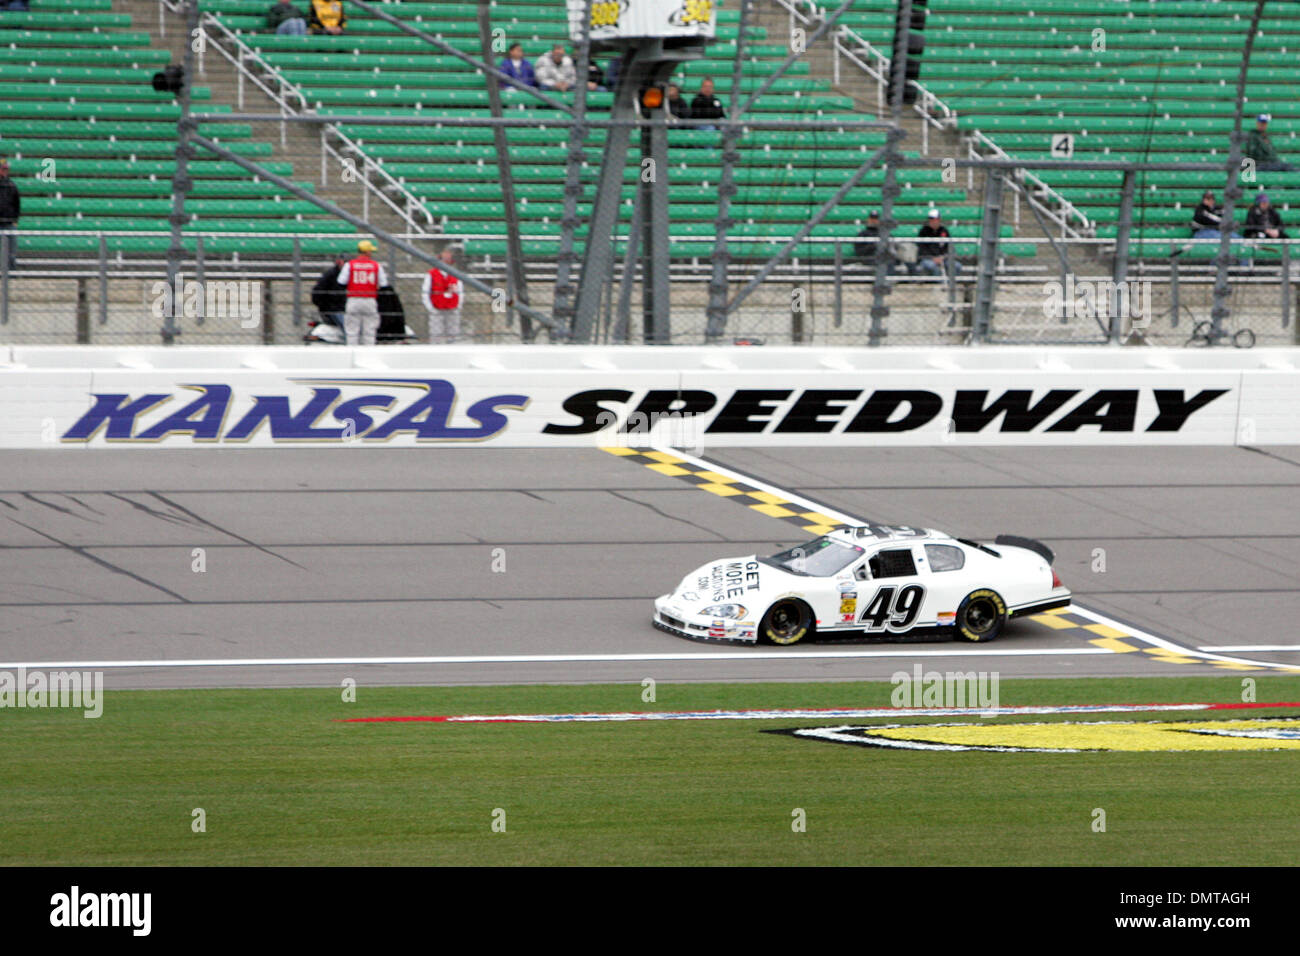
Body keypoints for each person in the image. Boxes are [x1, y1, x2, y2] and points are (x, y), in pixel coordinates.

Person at [337, 239, 388, 345]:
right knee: (369, 332)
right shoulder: (376, 265)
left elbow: (341, 282)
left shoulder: (350, 265)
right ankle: (369, 354)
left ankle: (352, 352)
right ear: (367, 252)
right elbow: (384, 285)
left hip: (353, 299)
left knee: (351, 332)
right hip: (370, 299)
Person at [423, 246, 464, 344]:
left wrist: (458, 306)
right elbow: (425, 291)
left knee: (453, 334)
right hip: (437, 308)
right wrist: (430, 308)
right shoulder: (432, 274)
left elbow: (461, 291)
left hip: (452, 309)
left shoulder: (456, 273)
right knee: (436, 334)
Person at [913, 208, 958, 276]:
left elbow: (948, 247)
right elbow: (921, 248)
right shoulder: (924, 232)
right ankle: (938, 284)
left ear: (939, 220)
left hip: (943, 258)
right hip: (928, 258)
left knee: (957, 266)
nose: (933, 221)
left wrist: (943, 257)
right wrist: (932, 258)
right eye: (931, 219)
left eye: (935, 219)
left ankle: (952, 284)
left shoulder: (944, 231)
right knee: (932, 266)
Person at [310, 254, 346, 328]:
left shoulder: (348, 274)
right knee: (348, 327)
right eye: (344, 262)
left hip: (344, 309)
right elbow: (317, 293)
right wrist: (325, 308)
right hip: (333, 310)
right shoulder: (330, 275)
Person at [0, 157, 19, 272]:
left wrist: (15, 219)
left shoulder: (11, 185)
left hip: (8, 222)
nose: (4, 172)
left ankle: (11, 275)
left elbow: (16, 203)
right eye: (2, 169)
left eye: (6, 169)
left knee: (11, 253)